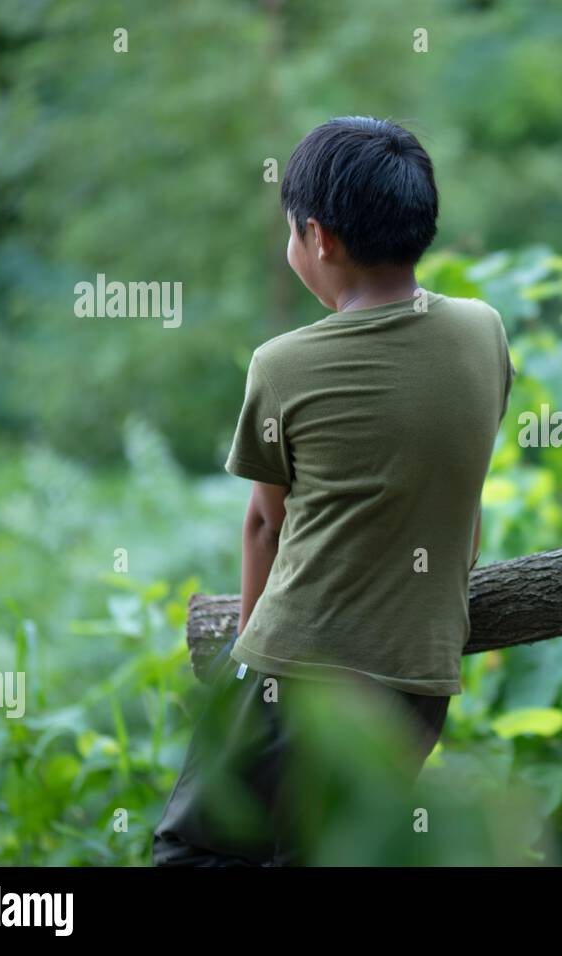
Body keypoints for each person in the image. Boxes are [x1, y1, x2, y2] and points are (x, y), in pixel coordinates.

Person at [152, 116, 515, 866]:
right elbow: (459, 482)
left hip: (297, 671)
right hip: (419, 682)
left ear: (320, 239)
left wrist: (244, 667)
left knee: (196, 853)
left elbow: (264, 526)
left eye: (291, 232)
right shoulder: (485, 333)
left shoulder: (283, 365)